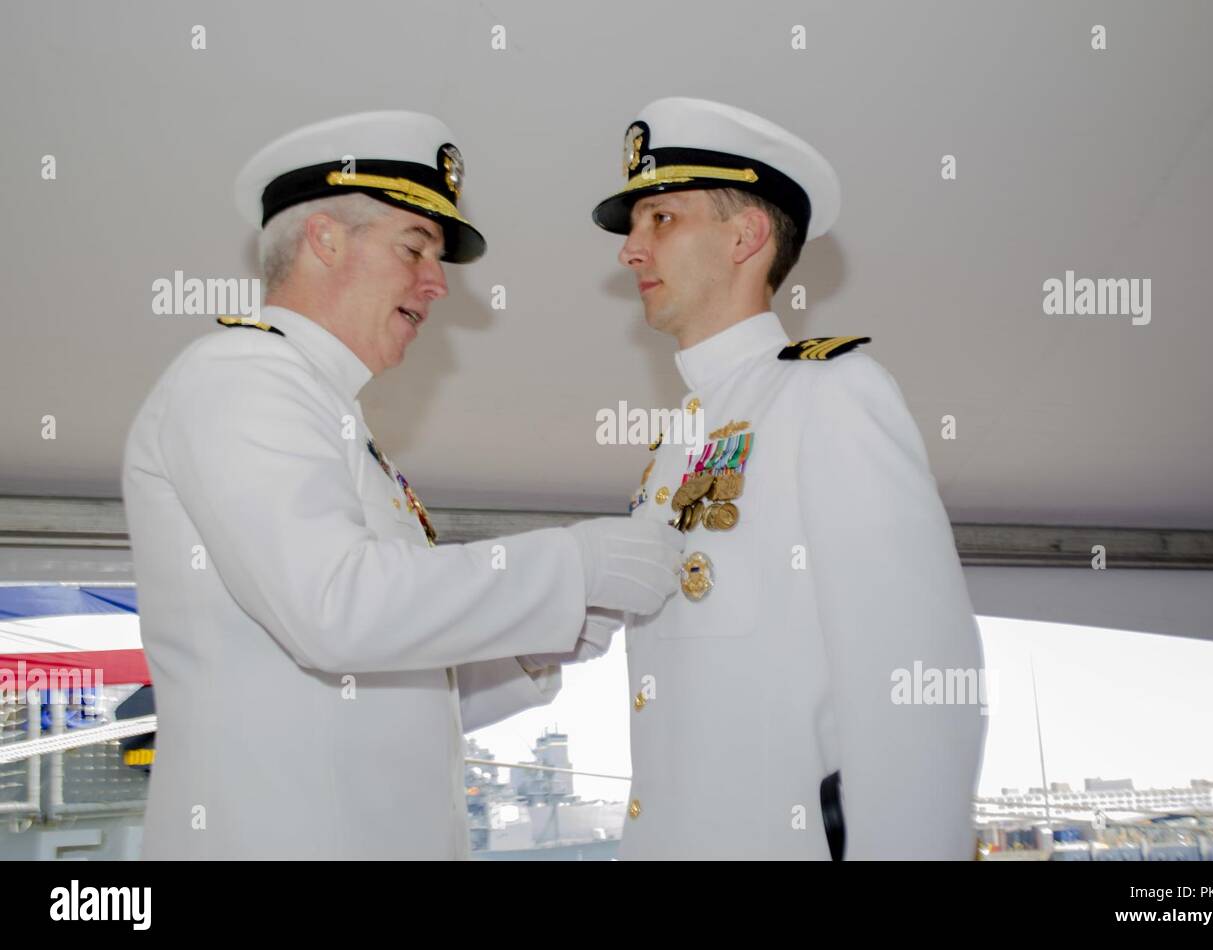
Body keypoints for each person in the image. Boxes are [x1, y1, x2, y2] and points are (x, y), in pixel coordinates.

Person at [121, 110, 683, 859]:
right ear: (324, 239)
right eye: (416, 248)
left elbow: (378, 686)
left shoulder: (323, 407)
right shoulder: (240, 378)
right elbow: (337, 610)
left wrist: (533, 647)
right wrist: (573, 565)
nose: (438, 285)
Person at [589, 97, 987, 859]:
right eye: (633, 227)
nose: (630, 250)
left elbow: (919, 684)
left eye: (660, 220)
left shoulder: (829, 393)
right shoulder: (679, 446)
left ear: (747, 235)